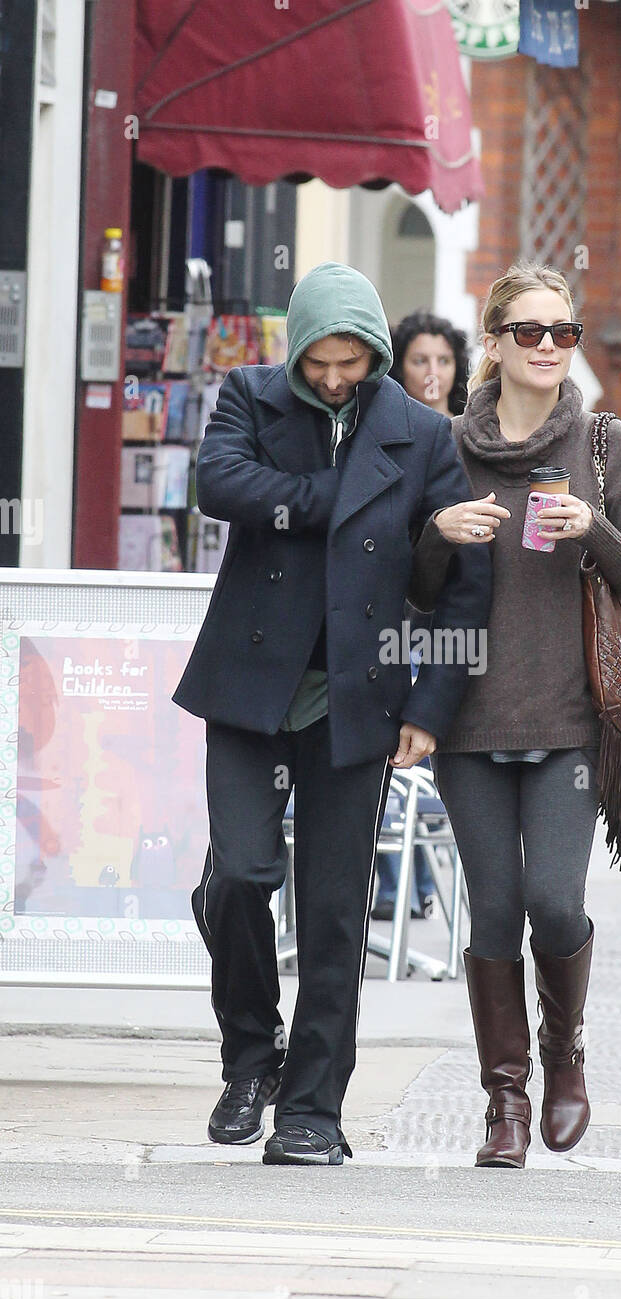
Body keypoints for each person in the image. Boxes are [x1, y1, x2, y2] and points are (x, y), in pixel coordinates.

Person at [173, 262, 491, 1166]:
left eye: (355, 363)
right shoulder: (250, 394)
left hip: (360, 701)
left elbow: (466, 585)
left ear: (380, 356)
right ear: (299, 347)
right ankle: (248, 1056)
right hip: (248, 691)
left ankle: (313, 1109)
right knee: (238, 878)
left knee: (333, 912)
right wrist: (333, 503)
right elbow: (221, 485)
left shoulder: (423, 434)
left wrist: (431, 705)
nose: (337, 378)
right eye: (322, 362)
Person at [411, 261, 621, 1169]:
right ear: (494, 342)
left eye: (565, 332)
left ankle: (565, 1054)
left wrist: (591, 529)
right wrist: (435, 535)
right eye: (531, 332)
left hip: (570, 718)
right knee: (492, 913)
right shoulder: (446, 446)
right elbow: (410, 583)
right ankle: (505, 1103)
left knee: (555, 904)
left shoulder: (607, 444)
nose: (551, 347)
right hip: (470, 719)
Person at [371, 311, 472, 921]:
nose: (432, 374)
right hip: (387, 623)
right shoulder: (379, 435)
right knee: (387, 760)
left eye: (443, 361)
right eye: (419, 361)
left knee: (419, 766)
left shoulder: (461, 438)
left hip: (437, 632)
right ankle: (391, 888)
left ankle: (416, 885)